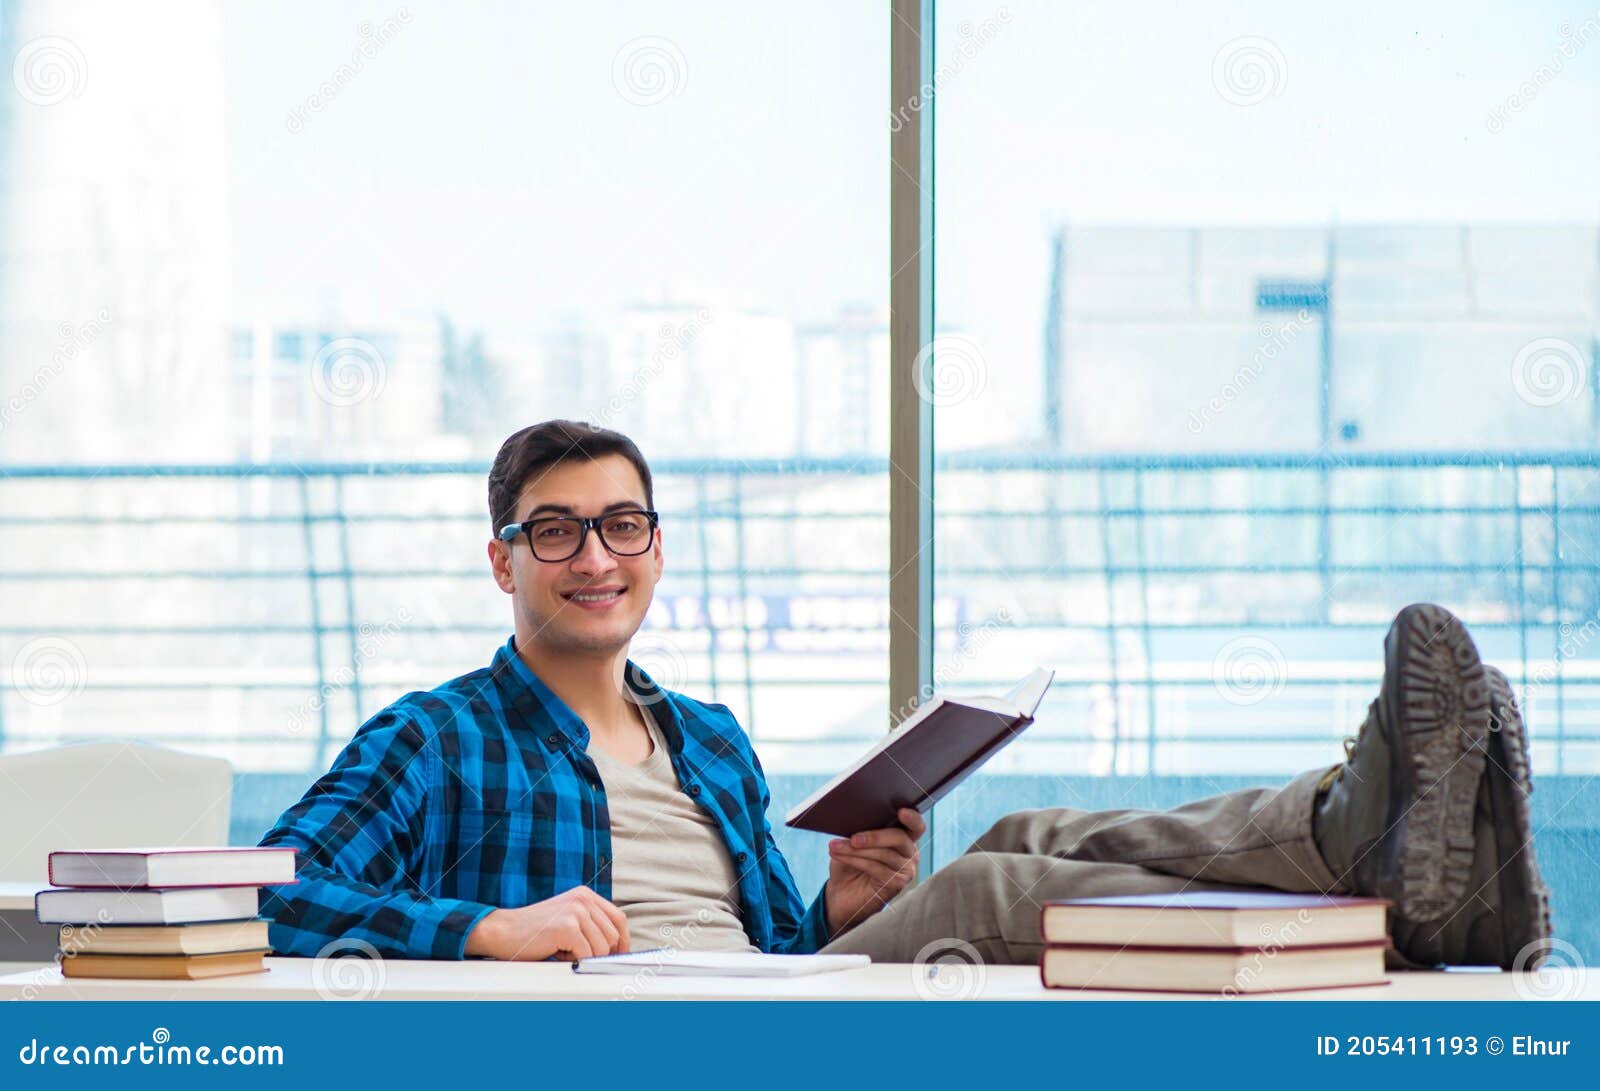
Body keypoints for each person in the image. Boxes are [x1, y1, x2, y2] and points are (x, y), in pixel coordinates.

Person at [259, 420, 1551, 970]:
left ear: (656, 545)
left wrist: (843, 906)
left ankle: (1371, 841)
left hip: (762, 1001)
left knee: (1009, 843)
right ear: (503, 561)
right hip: (650, 1028)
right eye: (556, 533)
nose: (595, 557)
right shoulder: (437, 737)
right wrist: (488, 933)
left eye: (622, 524)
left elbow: (776, 951)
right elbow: (265, 891)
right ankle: (1378, 860)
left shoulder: (705, 740)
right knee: (991, 891)